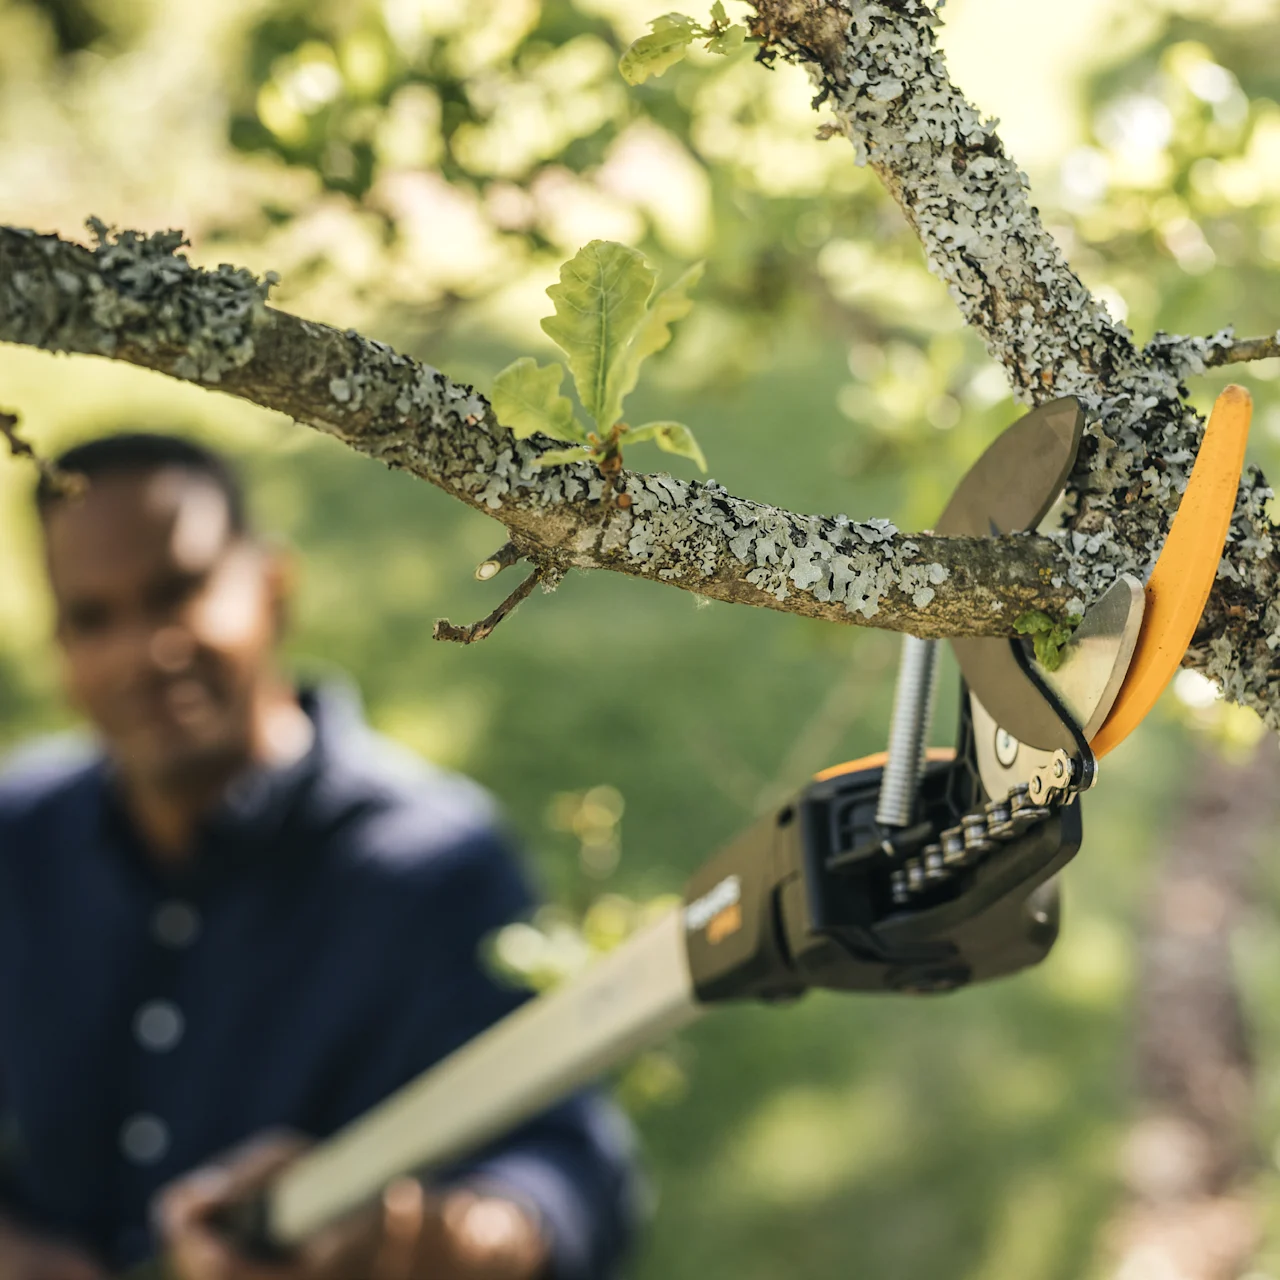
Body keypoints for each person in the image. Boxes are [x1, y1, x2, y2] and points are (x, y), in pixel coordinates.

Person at [0, 433, 639, 1279]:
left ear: (272, 589)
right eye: (92, 618)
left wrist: (409, 1243)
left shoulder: (432, 864)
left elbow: (569, 1177)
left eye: (177, 591)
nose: (142, 653)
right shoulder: (19, 834)